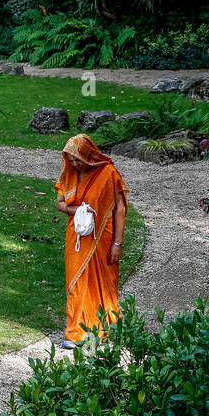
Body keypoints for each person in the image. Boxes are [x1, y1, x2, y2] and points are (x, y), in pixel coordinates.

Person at [53, 133, 129, 349]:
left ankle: (105, 331)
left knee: (102, 284)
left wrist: (118, 243)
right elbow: (59, 202)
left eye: (77, 158)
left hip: (103, 238)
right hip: (77, 237)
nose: (74, 163)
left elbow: (120, 209)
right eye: (71, 159)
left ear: (88, 155)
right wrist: (76, 210)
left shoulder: (108, 173)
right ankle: (76, 333)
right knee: (76, 282)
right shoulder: (69, 173)